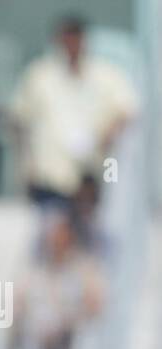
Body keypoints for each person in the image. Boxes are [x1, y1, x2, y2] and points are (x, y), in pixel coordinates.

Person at [11, 14, 138, 208]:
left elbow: (128, 109)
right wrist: (26, 167)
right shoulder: (40, 76)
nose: (72, 45)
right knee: (55, 230)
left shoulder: (105, 75)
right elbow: (19, 119)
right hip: (50, 178)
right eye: (67, 39)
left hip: (93, 179)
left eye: (76, 39)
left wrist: (109, 135)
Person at [14, 208, 104, 349]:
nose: (54, 240)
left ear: (69, 236)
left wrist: (64, 324)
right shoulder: (35, 273)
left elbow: (96, 309)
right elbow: (17, 308)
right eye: (50, 235)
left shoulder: (84, 269)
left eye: (58, 234)